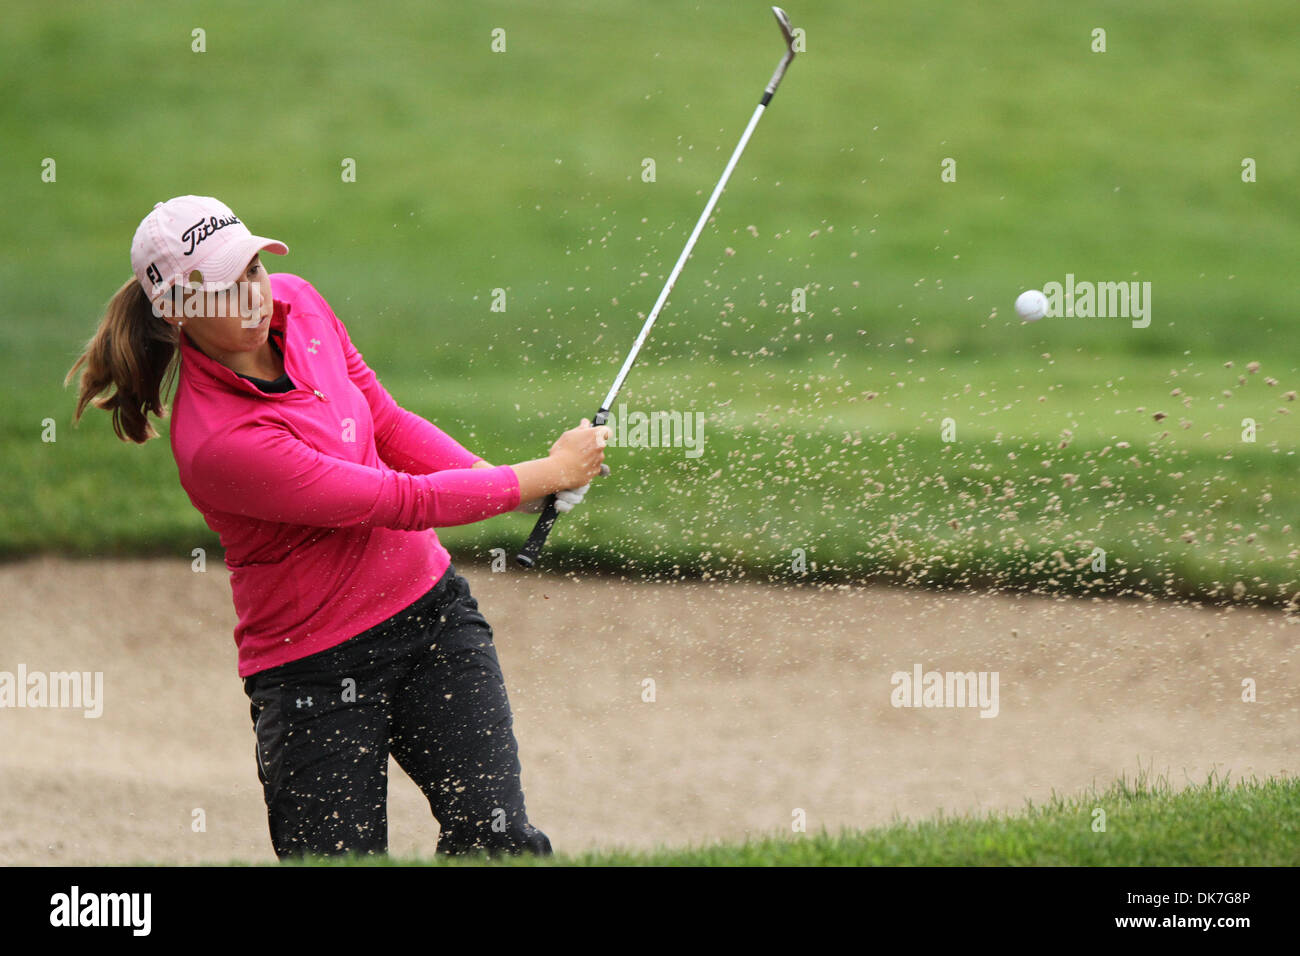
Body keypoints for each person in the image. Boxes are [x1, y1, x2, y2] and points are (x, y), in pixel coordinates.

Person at [65, 195, 610, 859]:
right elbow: (396, 500)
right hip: (313, 674)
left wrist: (512, 486)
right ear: (176, 309)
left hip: (432, 621)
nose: (250, 297)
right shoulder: (218, 440)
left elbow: (384, 420)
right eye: (220, 290)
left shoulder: (301, 304)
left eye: (252, 272)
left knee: (498, 841)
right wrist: (540, 474)